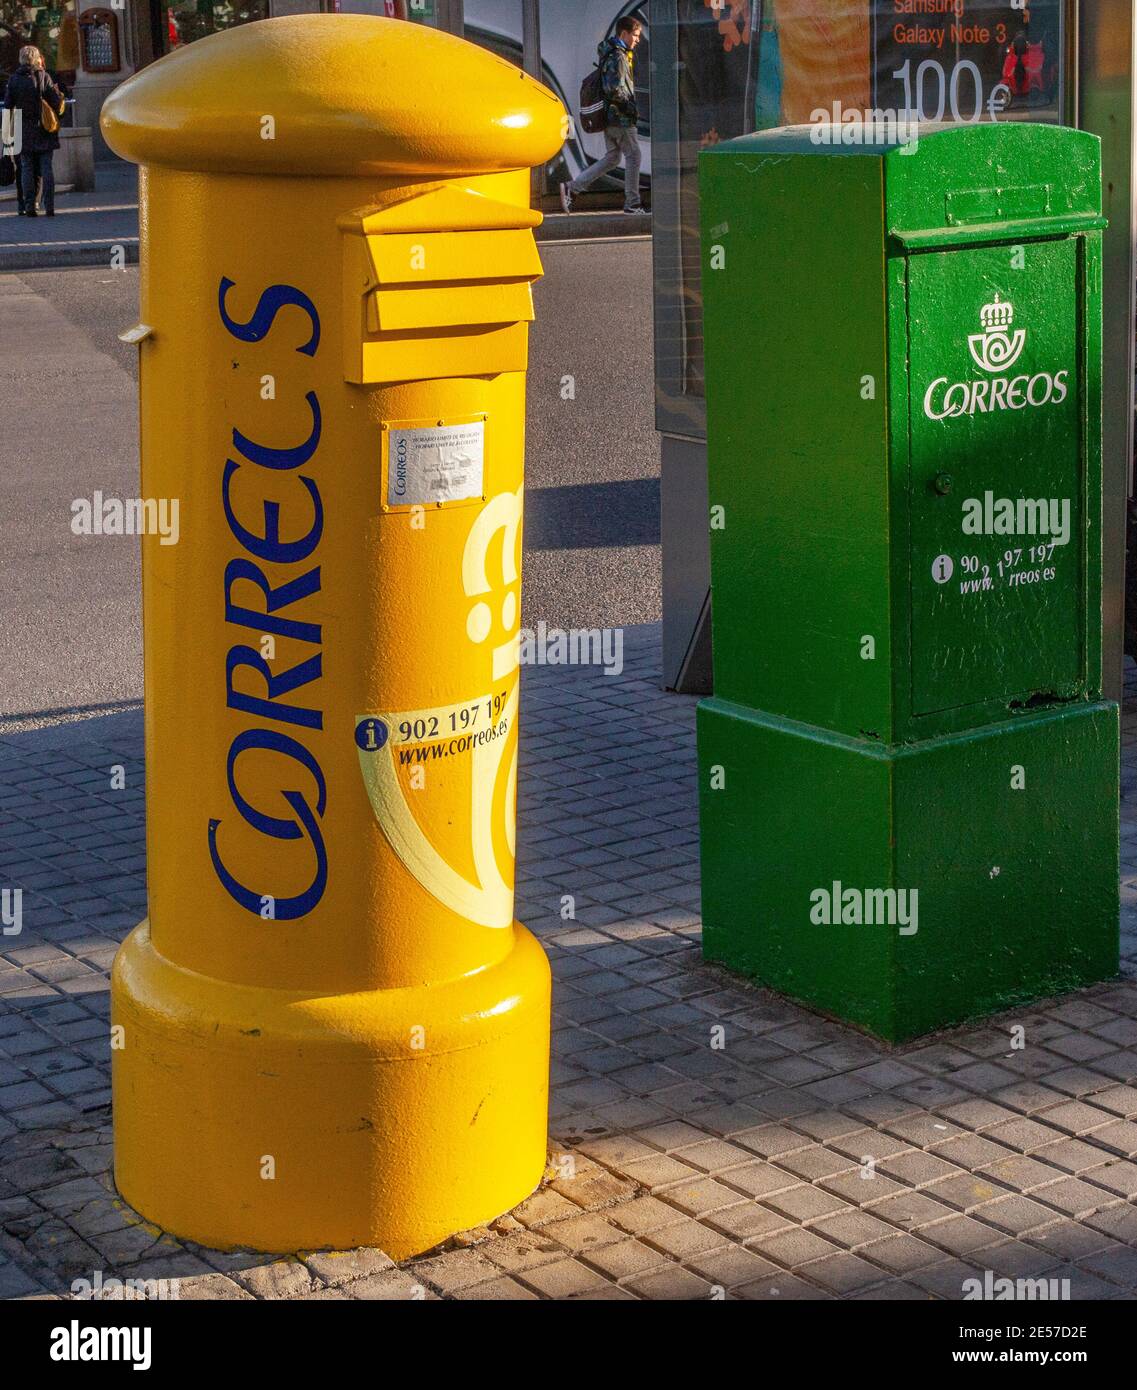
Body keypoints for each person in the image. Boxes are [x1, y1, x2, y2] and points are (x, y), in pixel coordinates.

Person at [560, 16, 646, 216]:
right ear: (623, 34)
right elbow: (614, 88)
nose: (638, 40)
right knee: (634, 156)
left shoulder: (611, 53)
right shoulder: (618, 56)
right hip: (621, 117)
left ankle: (573, 187)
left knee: (613, 158)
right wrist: (631, 108)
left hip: (610, 117)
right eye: (635, 35)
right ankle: (632, 204)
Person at [3, 46, 66, 217]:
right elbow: (55, 102)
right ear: (36, 58)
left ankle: (30, 205)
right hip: (44, 128)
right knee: (47, 168)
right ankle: (50, 206)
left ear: (21, 59)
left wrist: (6, 134)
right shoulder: (44, 76)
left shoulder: (14, 80)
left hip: (23, 129)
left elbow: (8, 106)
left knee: (26, 167)